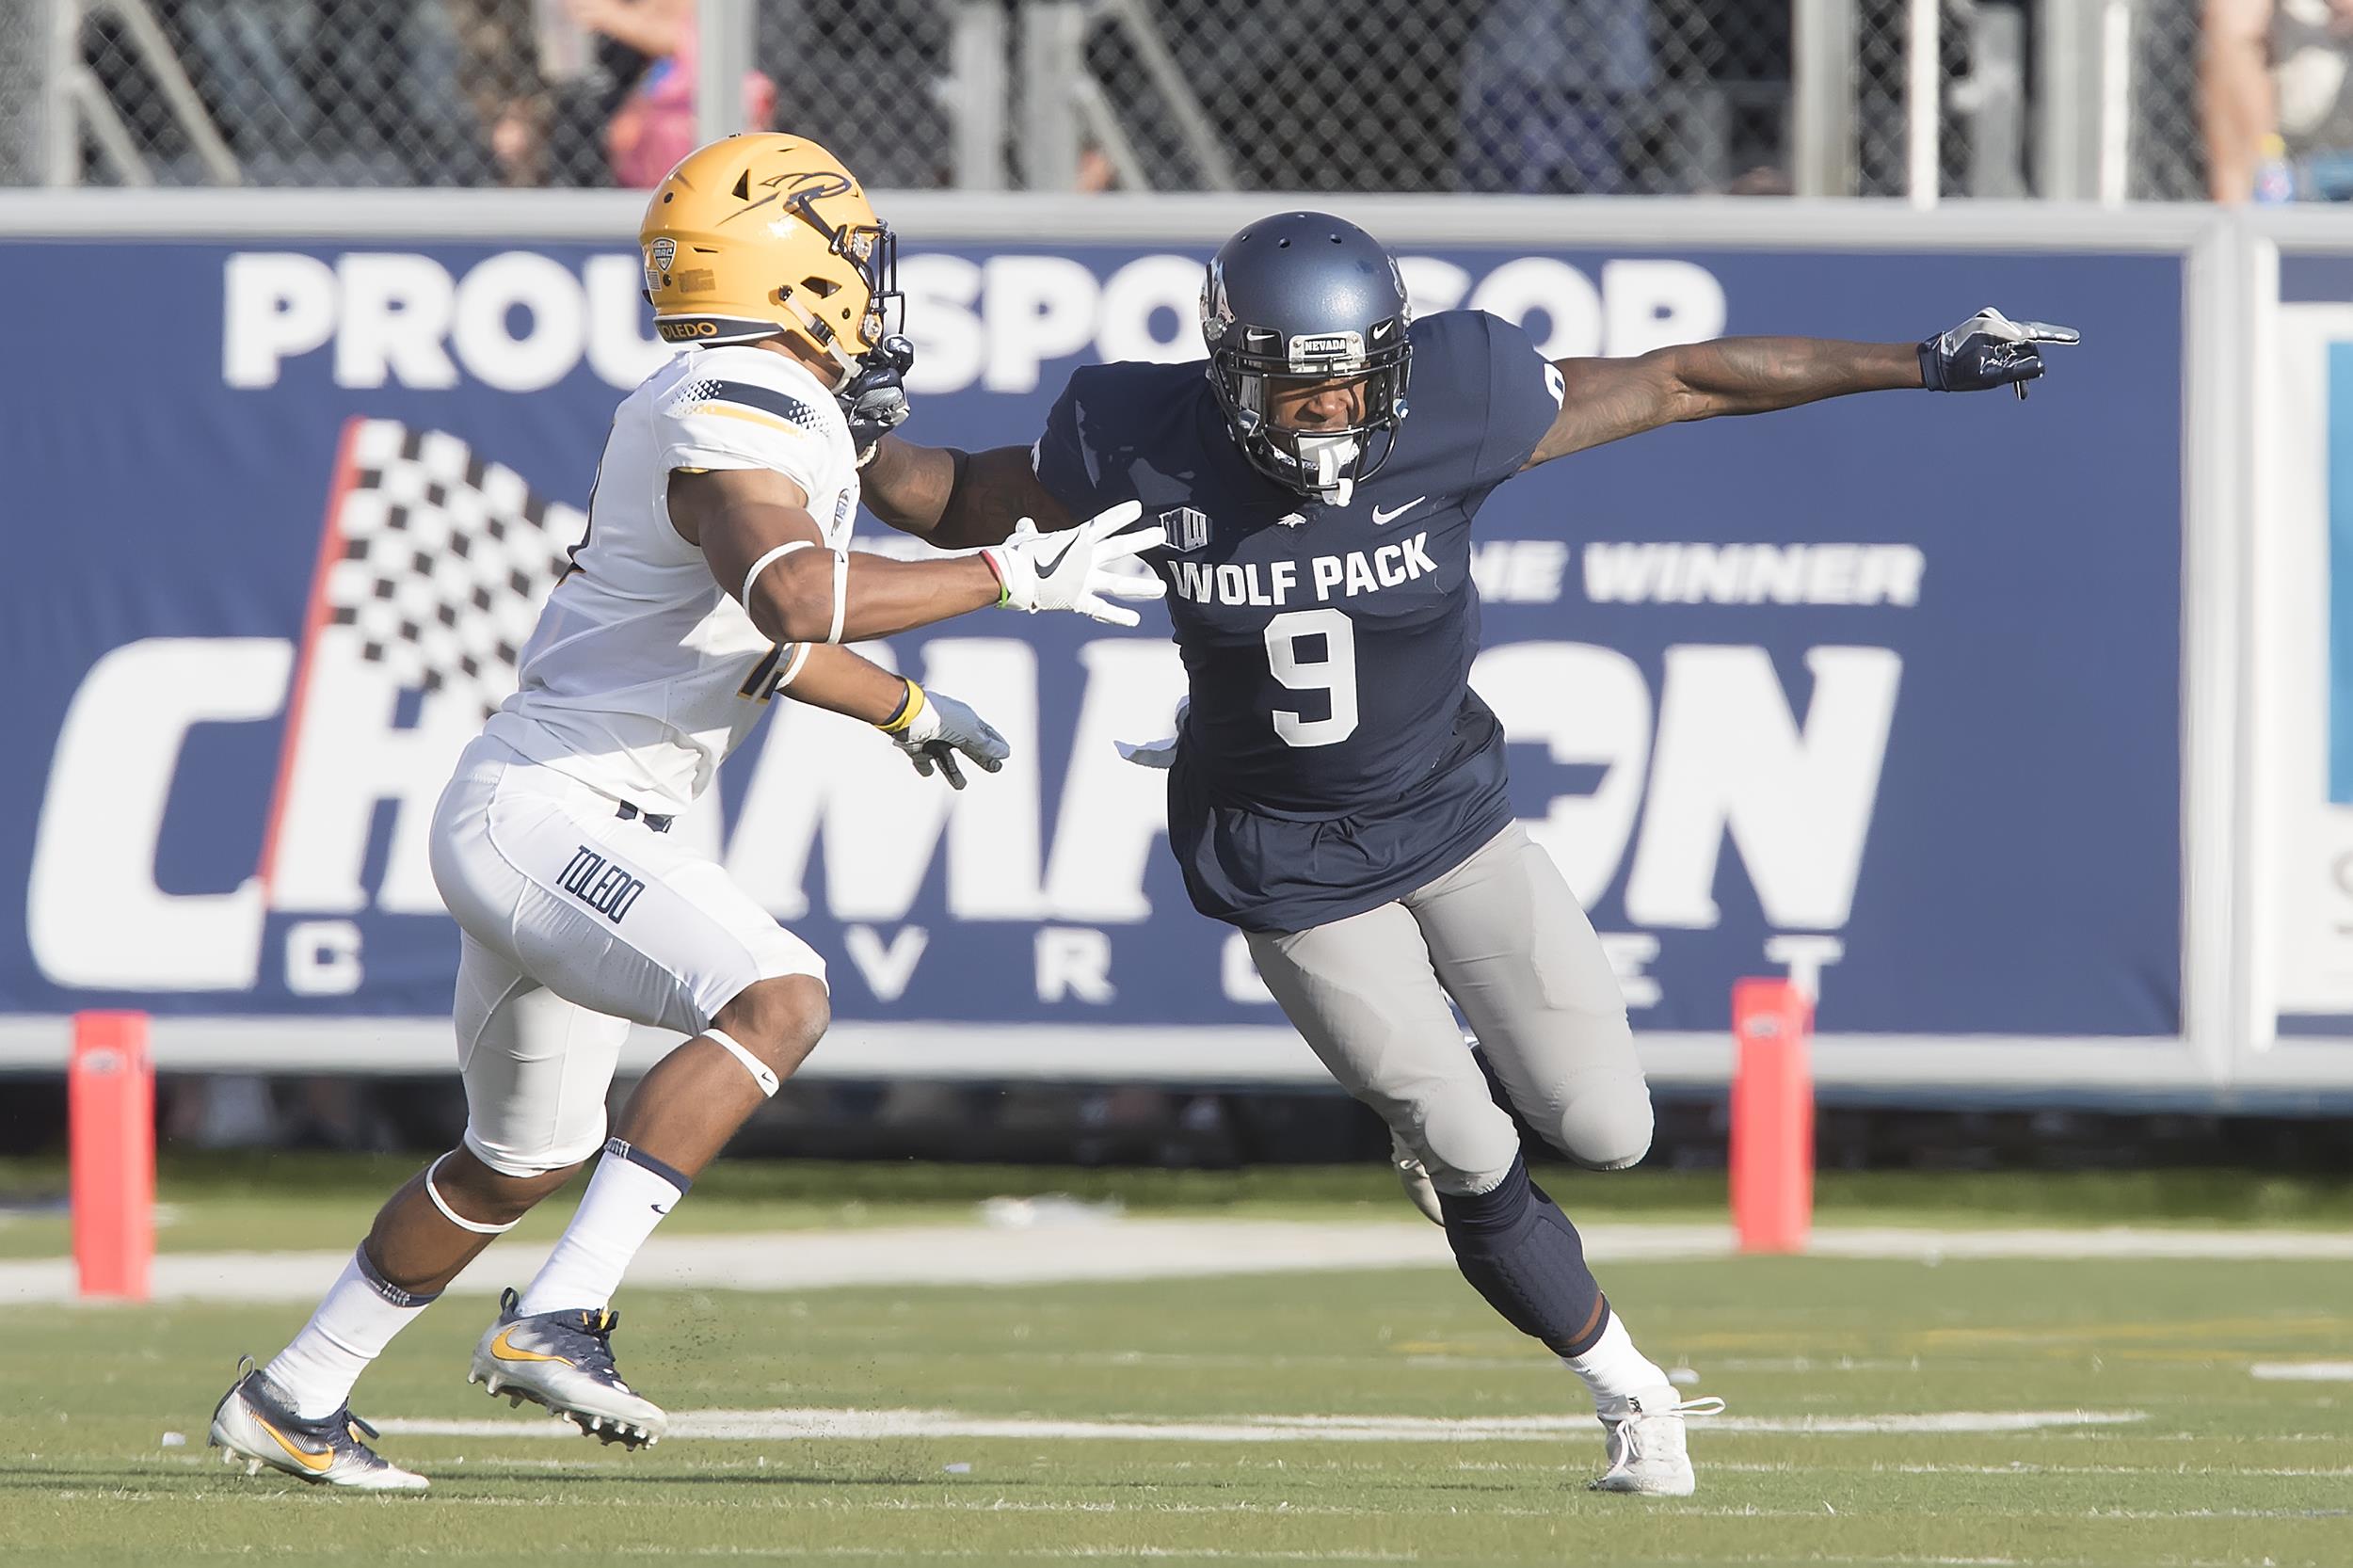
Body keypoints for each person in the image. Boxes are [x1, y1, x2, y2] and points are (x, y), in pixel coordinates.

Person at [856, 212, 2077, 1496]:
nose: (1328, 408)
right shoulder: (1139, 438)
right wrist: (862, 427)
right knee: (1468, 1138)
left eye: (1351, 377)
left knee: (1609, 1127)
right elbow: (953, 501)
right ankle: (1633, 1391)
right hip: (1284, 855)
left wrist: (1917, 363)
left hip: (1449, 814)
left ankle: (1456, 1143)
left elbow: (1683, 380)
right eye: (1297, 380)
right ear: (1230, 372)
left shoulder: (1461, 393)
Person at [206, 133, 1160, 1491]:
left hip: (545, 812)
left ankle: (295, 1393)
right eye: (846, 257)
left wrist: (905, 708)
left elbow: (742, 633)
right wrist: (1007, 574)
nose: (868, 286)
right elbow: (789, 595)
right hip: (550, 810)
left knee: (517, 1153)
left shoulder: (753, 400)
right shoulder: (738, 390)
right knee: (781, 994)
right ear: (787, 273)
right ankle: (557, 1315)